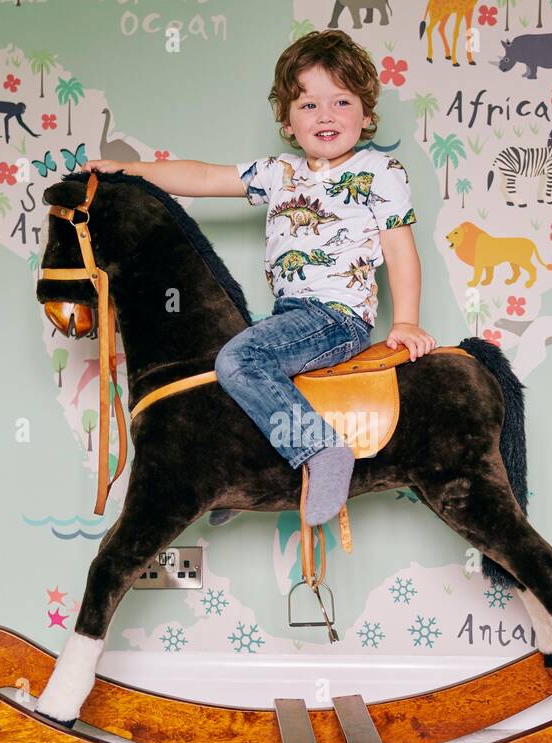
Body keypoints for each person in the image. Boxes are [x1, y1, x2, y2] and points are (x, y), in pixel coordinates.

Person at [82, 29, 435, 528]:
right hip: (292, 315)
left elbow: (400, 248)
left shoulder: (379, 171)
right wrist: (130, 172)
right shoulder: (278, 173)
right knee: (222, 369)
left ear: (367, 114)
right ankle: (247, 476)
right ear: (287, 121)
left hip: (338, 318)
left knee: (240, 359)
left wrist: (407, 322)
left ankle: (323, 452)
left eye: (341, 101)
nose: (326, 115)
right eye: (308, 104)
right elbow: (204, 178)